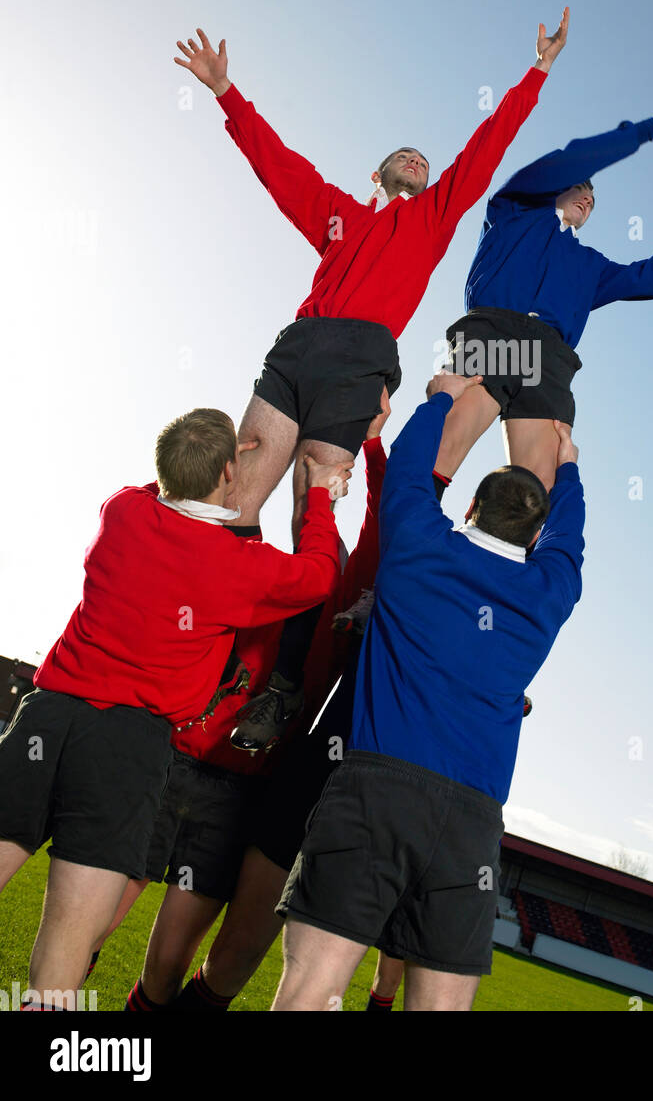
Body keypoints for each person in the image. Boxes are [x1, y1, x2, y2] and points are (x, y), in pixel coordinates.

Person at [173, 11, 569, 748]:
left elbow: (485, 151)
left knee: (310, 519)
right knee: (232, 503)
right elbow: (277, 164)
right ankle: (213, 656)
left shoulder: (433, 220)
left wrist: (536, 74)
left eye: (424, 158)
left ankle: (280, 690)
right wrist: (227, 93)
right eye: (405, 156)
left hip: (362, 360)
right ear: (376, 174)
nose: (419, 160)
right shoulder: (335, 215)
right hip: (296, 349)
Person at [0, 407, 345, 1009]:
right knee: (67, 936)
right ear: (229, 474)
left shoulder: (123, 511)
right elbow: (318, 576)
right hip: (126, 744)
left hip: (47, 714)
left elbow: (156, 486)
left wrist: (204, 460)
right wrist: (320, 497)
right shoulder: (234, 565)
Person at [272, 371, 585, 1012]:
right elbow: (570, 540)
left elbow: (413, 469)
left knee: (310, 991)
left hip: (376, 791)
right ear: (534, 539)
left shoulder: (416, 543)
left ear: (469, 509)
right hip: (471, 825)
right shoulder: (549, 593)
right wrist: (569, 469)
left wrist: (441, 396)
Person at [93, 395, 390, 1014]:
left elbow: (379, 531)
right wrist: (209, 461)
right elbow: (181, 506)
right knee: (91, 921)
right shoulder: (245, 562)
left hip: (235, 795)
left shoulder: (336, 606)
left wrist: (371, 445)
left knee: (166, 966)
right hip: (168, 756)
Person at [430, 101, 653, 493]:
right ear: (556, 190)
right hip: (495, 332)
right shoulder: (515, 206)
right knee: (443, 450)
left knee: (534, 493)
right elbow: (568, 161)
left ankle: (501, 546)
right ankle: (396, 544)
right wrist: (647, 129)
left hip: (550, 355)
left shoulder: (591, 266)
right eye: (579, 188)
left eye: (592, 199)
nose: (587, 198)